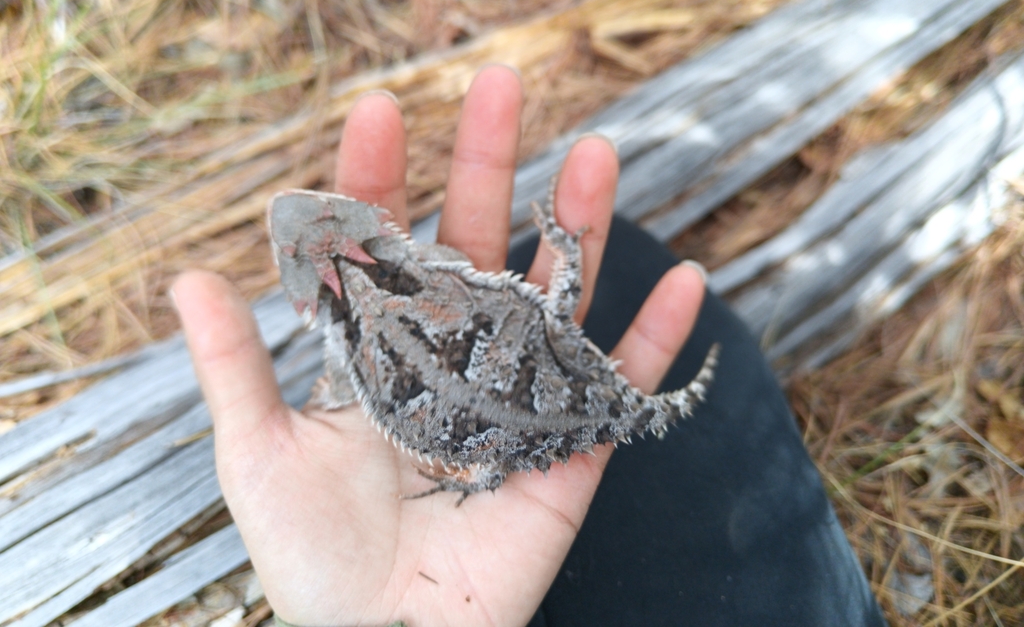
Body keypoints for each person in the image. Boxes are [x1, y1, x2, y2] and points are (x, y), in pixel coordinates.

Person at [173, 65, 887, 627]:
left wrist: (481, 475)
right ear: (368, 230)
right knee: (615, 285)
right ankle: (610, 383)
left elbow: (379, 375)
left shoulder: (351, 354)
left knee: (604, 310)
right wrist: (557, 265)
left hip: (510, 426)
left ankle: (529, 449)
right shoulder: (421, 270)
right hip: (535, 392)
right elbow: (509, 308)